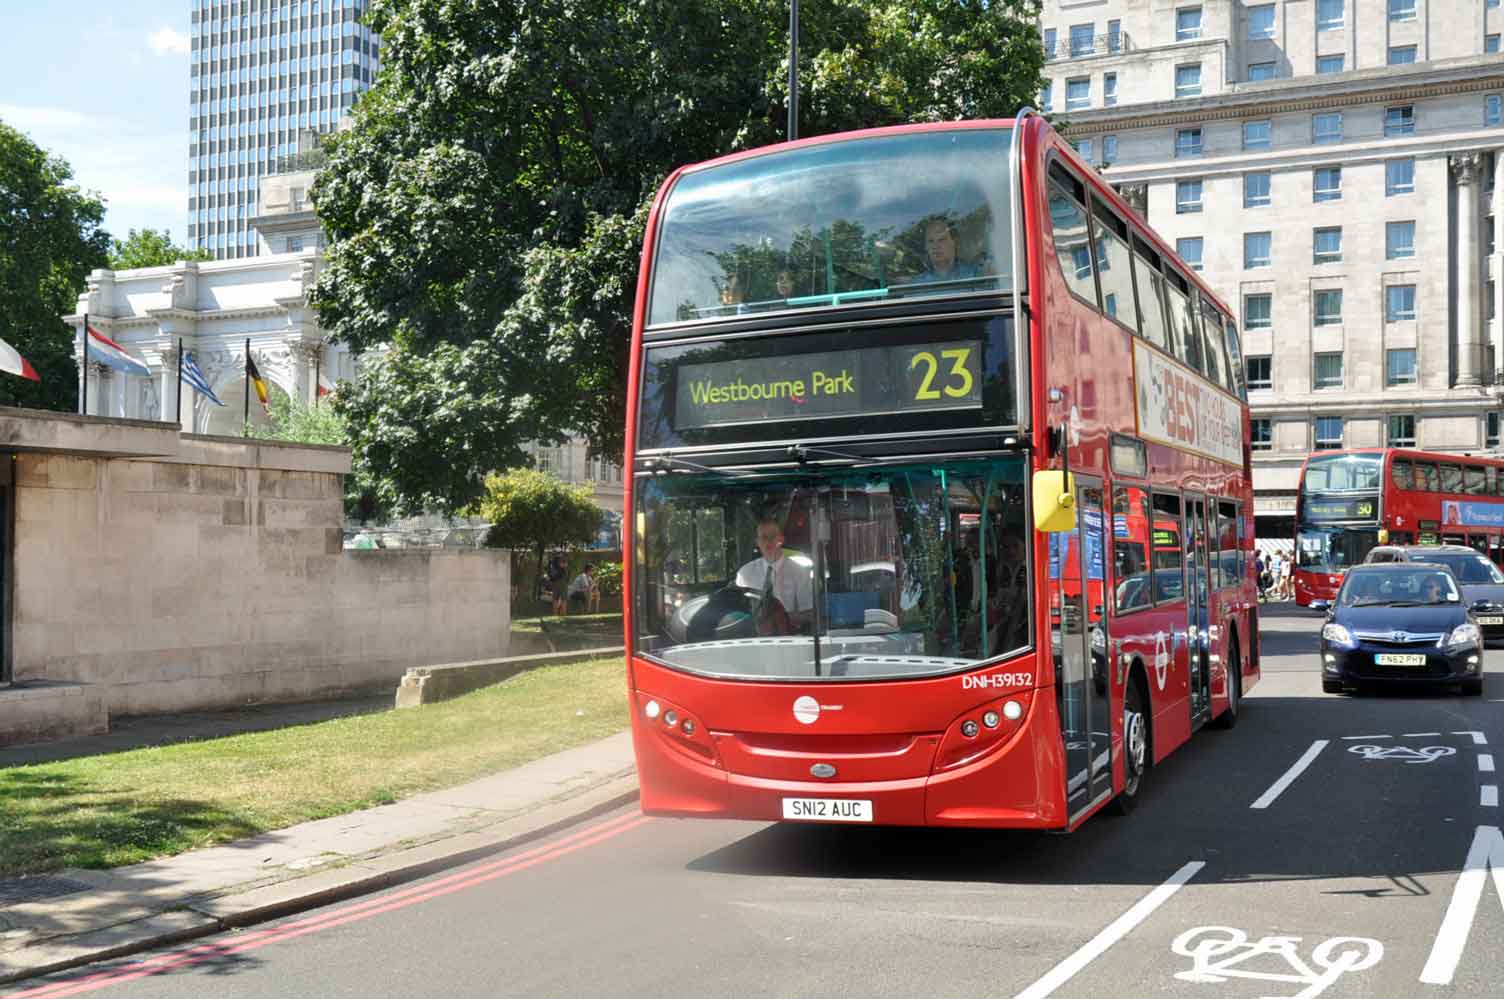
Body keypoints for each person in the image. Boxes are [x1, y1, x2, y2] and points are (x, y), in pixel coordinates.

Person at [734, 517, 814, 633]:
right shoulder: (745, 573)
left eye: (772, 536)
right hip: (752, 637)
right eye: (763, 537)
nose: (768, 540)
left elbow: (809, 613)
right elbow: (736, 613)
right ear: (757, 542)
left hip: (788, 635)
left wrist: (781, 618)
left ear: (781, 539)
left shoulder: (799, 572)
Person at [910, 217, 980, 285]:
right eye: (931, 241)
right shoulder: (917, 284)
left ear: (954, 242)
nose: (935, 246)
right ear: (926, 247)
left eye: (941, 240)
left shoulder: (974, 275)